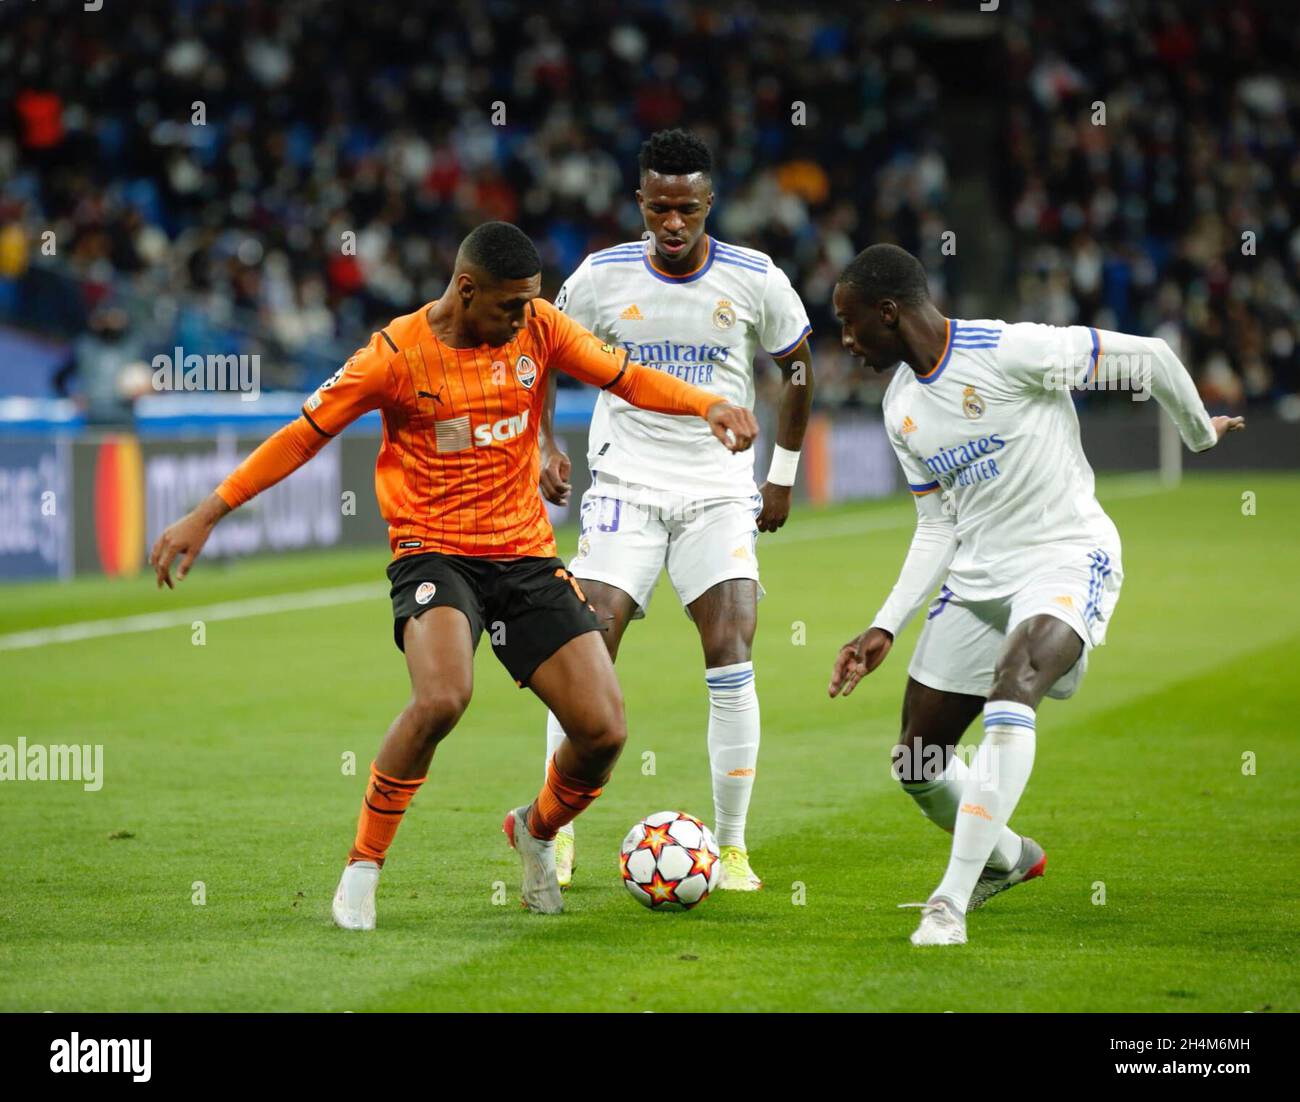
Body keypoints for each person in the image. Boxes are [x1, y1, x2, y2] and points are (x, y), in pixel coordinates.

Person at [149, 221, 758, 924]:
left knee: (604, 731)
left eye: (532, 303)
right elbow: (300, 437)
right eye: (511, 305)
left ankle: (533, 830)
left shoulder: (538, 329)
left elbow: (625, 376)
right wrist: (208, 512)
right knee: (442, 698)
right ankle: (363, 868)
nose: (526, 317)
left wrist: (706, 402)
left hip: (524, 555)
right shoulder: (393, 356)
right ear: (466, 290)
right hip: (433, 553)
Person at [826, 243, 1244, 946]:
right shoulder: (902, 407)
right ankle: (1012, 858)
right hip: (979, 579)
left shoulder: (1012, 350)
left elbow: (1151, 358)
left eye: (848, 322)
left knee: (1014, 685)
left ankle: (948, 904)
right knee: (918, 761)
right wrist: (884, 625)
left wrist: (1199, 434)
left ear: (888, 312)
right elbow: (937, 526)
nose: (844, 339)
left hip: (1064, 552)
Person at [538, 130, 814, 891]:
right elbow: (541, 355)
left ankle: (730, 847)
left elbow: (797, 369)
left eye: (687, 208)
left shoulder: (756, 278)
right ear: (640, 203)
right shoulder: (599, 278)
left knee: (731, 647)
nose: (672, 223)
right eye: (659, 207)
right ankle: (556, 831)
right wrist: (544, 445)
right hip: (625, 485)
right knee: (584, 649)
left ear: (709, 203)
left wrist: (781, 476)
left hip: (718, 489)